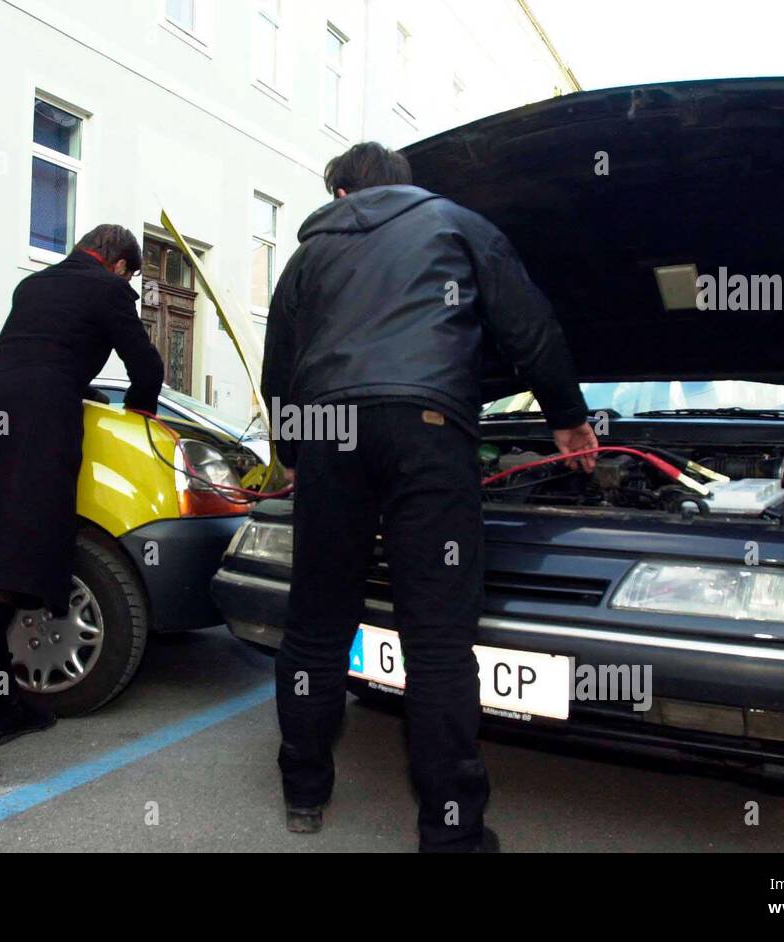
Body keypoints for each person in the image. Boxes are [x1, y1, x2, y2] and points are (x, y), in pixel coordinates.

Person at [262, 142, 597, 852]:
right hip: (428, 430)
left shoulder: (304, 259)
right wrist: (568, 420)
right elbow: (529, 326)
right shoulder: (457, 225)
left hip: (328, 435)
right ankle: (451, 833)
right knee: (439, 641)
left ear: (343, 193)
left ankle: (304, 792)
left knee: (316, 626)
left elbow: (280, 371)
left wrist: (295, 457)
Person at [0, 224, 165, 780]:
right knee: (12, 559)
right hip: (40, 422)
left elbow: (42, 351)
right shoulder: (108, 289)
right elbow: (148, 369)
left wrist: (74, 379)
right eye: (132, 275)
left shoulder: (34, 286)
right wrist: (143, 413)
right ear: (119, 264)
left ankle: (5, 706)